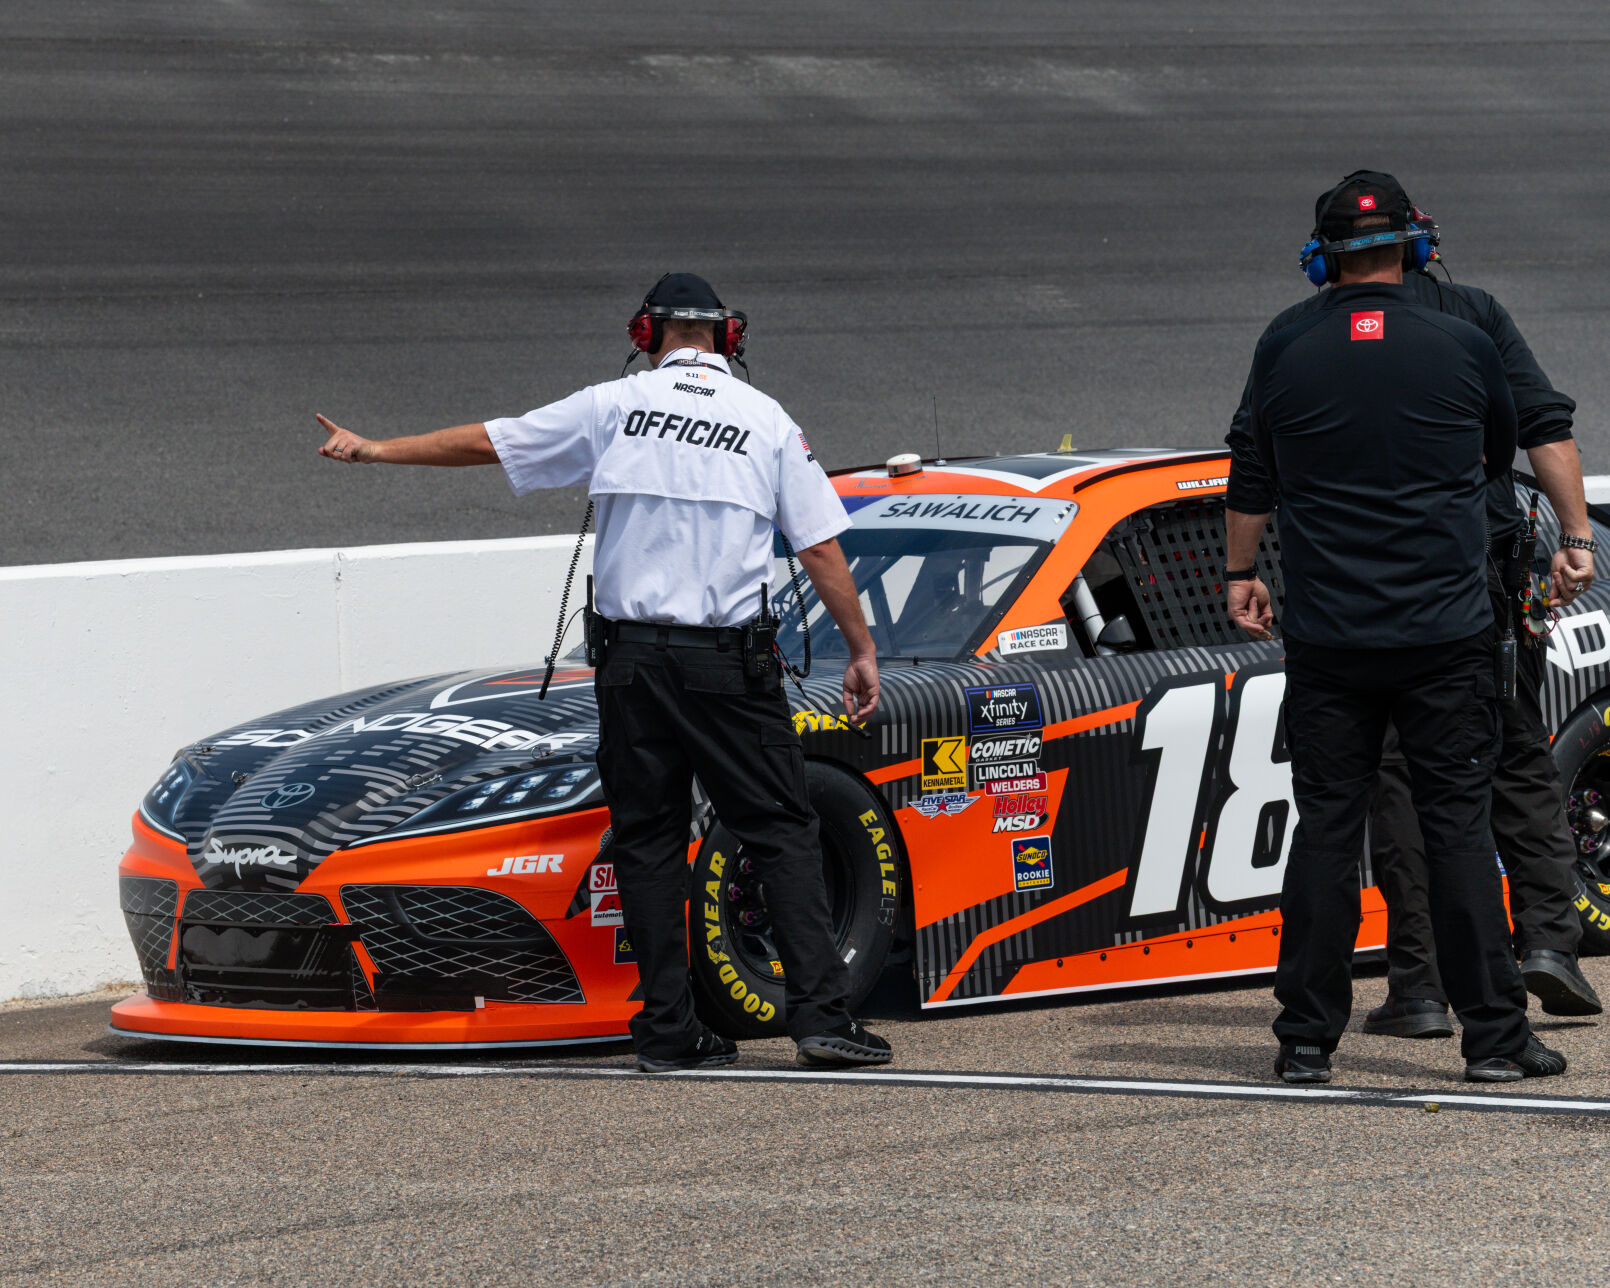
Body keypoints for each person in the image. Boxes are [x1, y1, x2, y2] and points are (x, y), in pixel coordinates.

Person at [314, 272, 893, 1073]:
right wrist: (859, 650)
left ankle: (666, 1032)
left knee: (648, 841)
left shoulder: (611, 407)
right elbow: (821, 547)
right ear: (729, 339)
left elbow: (492, 440)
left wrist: (374, 448)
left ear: (645, 334)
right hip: (727, 666)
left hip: (629, 667)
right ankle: (823, 1021)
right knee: (780, 832)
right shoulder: (767, 422)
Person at [1229, 170, 1601, 1034]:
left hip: (1341, 620)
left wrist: (1237, 569)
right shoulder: (1471, 321)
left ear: (1321, 260)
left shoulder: (1290, 339)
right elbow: (1533, 433)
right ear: (1418, 242)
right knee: (1504, 770)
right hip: (1471, 601)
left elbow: (1254, 464)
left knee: (1375, 802)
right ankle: (1539, 952)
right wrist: (1577, 541)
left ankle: (1415, 987)